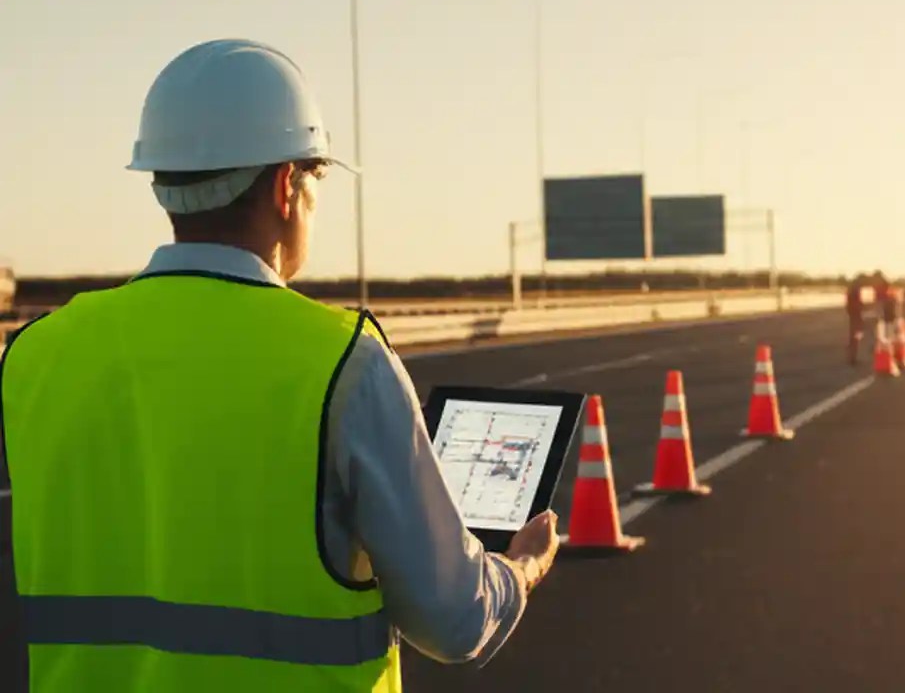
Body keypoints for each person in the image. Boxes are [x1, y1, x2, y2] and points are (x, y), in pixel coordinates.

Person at [0, 39, 557, 692]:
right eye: (315, 177)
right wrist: (516, 571)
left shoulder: (38, 351)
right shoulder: (342, 361)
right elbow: (454, 619)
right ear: (286, 186)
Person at [844, 274, 867, 365]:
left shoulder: (852, 289)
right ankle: (852, 357)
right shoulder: (855, 290)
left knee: (855, 335)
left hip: (854, 314)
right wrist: (862, 307)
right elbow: (856, 303)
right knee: (856, 335)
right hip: (856, 315)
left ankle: (852, 356)